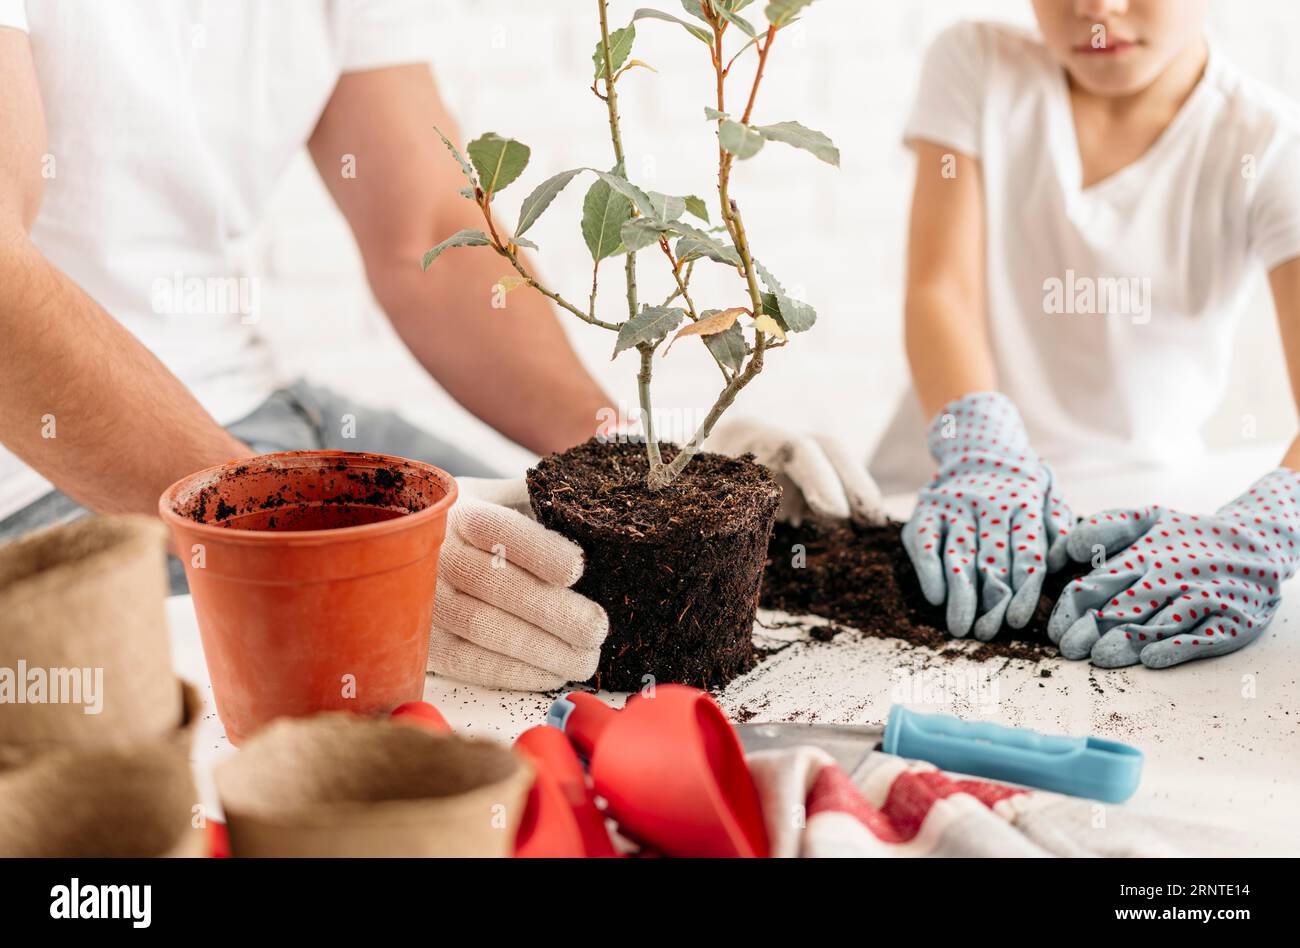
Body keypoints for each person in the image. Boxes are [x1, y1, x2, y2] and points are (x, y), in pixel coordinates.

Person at [0, 1, 871, 692]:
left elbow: (424, 230)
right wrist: (303, 535)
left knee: (588, 594)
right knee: (427, 716)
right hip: (53, 477)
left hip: (261, 414)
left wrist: (630, 457)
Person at [875, 0, 1300, 668]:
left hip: (1136, 526)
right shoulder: (977, 63)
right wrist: (983, 448)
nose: (1094, 9)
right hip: (944, 498)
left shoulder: (1266, 141)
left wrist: (1276, 521)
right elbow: (940, 290)